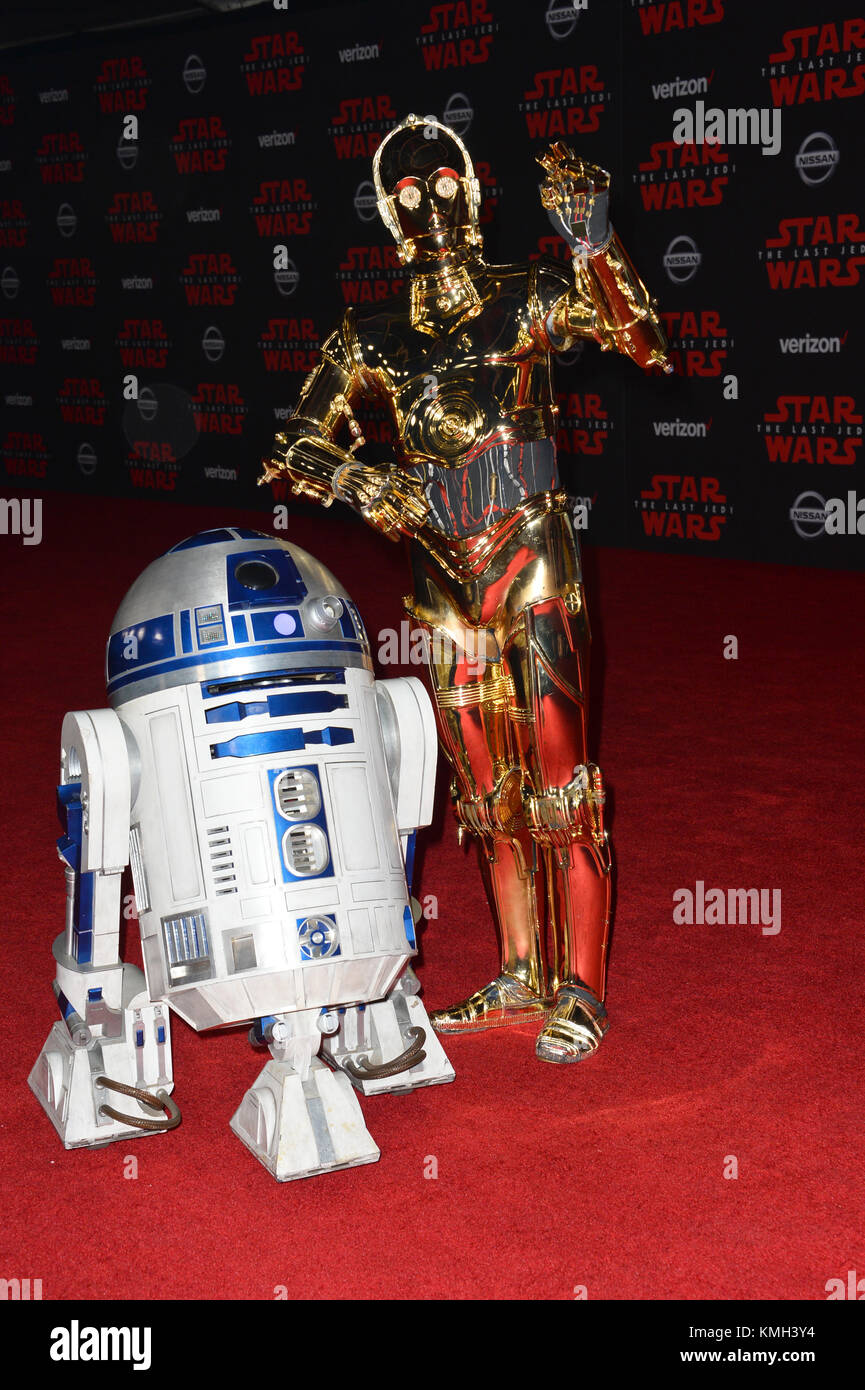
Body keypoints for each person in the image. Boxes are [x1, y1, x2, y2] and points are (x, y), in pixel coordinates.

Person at [259, 113, 670, 1062]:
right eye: (408, 193)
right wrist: (356, 478)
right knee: (485, 794)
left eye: (444, 183)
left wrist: (592, 240)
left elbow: (643, 344)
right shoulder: (368, 335)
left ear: (473, 194)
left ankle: (581, 989)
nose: (430, 205)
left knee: (564, 786)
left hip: (533, 557)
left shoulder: (526, 294)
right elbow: (291, 441)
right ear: (387, 214)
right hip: (441, 583)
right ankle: (521, 970)